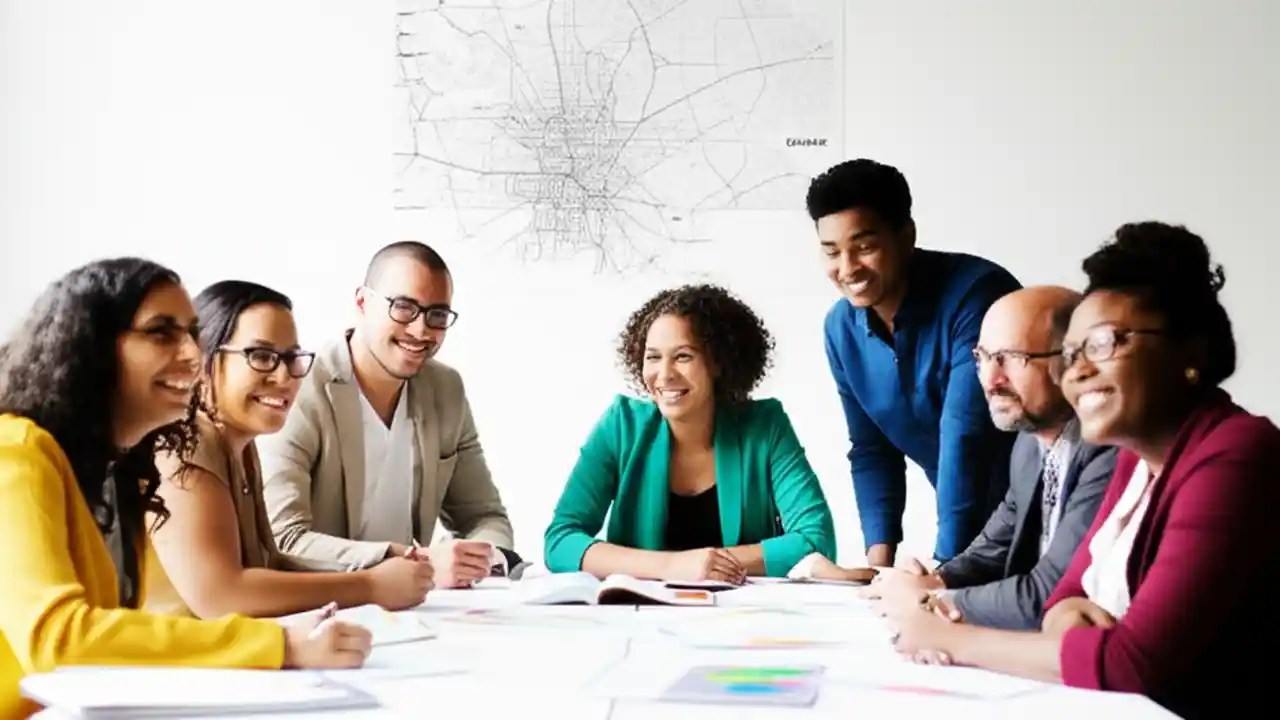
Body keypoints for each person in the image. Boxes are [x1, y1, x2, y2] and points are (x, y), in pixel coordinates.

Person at [881, 222, 1280, 719]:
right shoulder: (1137, 457)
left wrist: (950, 638)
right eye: (1072, 354)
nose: (1078, 372)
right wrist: (1068, 614)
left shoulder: (1236, 454)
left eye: (1105, 344)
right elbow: (1066, 594)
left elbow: (1133, 660)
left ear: (1191, 350)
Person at [0, 259, 371, 718]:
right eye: (161, 332)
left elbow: (117, 633)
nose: (194, 356)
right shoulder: (15, 451)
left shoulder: (114, 470)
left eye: (192, 334)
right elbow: (57, 638)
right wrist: (277, 644)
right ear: (91, 346)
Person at [146, 280, 434, 620]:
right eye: (262, 356)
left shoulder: (237, 445)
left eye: (292, 358)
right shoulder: (182, 450)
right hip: (167, 667)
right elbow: (223, 595)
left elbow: (270, 563)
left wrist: (381, 563)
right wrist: (369, 585)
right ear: (200, 359)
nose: (285, 377)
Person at [259, 242, 518, 588]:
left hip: (415, 609)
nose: (422, 330)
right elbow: (283, 540)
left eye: (437, 315)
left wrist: (484, 559)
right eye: (404, 307)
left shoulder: (446, 389)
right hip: (322, 609)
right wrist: (416, 561)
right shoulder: (300, 387)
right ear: (362, 303)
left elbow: (485, 517)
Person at [858, 287, 1116, 630]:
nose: (991, 380)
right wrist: (935, 580)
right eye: (982, 357)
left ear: (1072, 361)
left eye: (1011, 357)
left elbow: (1049, 592)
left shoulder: (1110, 450)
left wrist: (929, 602)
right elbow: (993, 548)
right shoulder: (1028, 445)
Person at [543, 284, 836, 581]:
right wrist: (672, 566)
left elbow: (816, 540)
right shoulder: (621, 425)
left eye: (683, 356)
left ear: (718, 362)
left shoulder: (765, 427)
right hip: (637, 614)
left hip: (743, 616)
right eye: (653, 357)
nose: (665, 374)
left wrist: (712, 564)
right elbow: (560, 542)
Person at [810, 158, 1022, 566]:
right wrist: (877, 566)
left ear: (906, 235)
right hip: (970, 536)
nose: (847, 268)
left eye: (864, 247)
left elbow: (966, 436)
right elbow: (871, 449)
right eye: (832, 252)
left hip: (1038, 518)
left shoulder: (977, 295)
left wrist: (944, 570)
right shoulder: (840, 329)